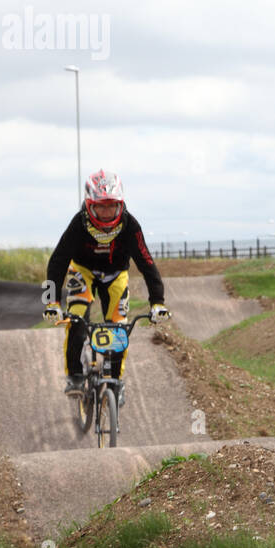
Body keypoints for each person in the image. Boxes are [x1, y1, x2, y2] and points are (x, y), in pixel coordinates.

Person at [43, 170, 171, 399]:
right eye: (100, 206)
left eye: (111, 205)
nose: (105, 212)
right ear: (89, 205)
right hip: (83, 272)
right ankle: (75, 375)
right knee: (77, 318)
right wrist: (51, 301)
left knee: (118, 328)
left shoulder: (130, 225)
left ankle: (114, 382)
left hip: (116, 275)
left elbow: (146, 262)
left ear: (120, 204)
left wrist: (157, 302)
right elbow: (58, 261)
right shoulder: (78, 223)